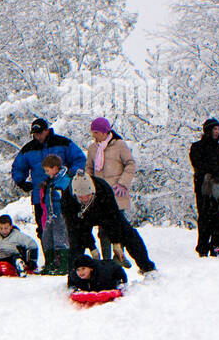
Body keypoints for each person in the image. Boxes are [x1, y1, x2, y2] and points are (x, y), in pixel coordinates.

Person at [61, 172, 157, 275]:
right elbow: (76, 229)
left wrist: (116, 242)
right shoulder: (67, 199)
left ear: (93, 191)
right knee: (76, 244)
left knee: (129, 233)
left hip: (103, 213)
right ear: (75, 195)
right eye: (81, 198)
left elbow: (113, 218)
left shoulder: (103, 188)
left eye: (87, 196)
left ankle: (147, 268)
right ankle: (73, 279)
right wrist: (92, 247)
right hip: (80, 219)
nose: (85, 200)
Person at [11, 117, 87, 237]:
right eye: (35, 134)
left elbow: (80, 159)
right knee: (43, 231)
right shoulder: (28, 149)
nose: (38, 136)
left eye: (40, 133)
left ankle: (71, 254)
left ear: (47, 130)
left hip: (64, 194)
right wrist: (21, 181)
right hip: (40, 196)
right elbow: (17, 167)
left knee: (69, 228)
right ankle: (50, 255)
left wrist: (70, 175)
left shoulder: (63, 143)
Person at [85, 117, 137, 267]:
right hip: (99, 195)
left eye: (96, 132)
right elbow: (89, 167)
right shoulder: (93, 148)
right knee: (102, 229)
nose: (94, 135)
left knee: (118, 226)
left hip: (116, 192)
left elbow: (130, 164)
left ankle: (119, 256)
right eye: (92, 132)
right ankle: (106, 259)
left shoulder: (119, 145)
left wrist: (123, 183)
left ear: (104, 131)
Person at [190, 118, 219, 257]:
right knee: (205, 217)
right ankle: (203, 247)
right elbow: (198, 165)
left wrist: (217, 171)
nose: (217, 132)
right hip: (205, 188)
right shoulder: (197, 147)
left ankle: (216, 246)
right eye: (214, 129)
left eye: (218, 129)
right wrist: (215, 170)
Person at [36, 155, 73, 275]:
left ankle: (63, 264)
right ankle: (50, 263)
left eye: (48, 170)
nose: (46, 173)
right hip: (50, 214)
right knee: (47, 237)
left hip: (60, 214)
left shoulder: (64, 180)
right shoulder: (50, 181)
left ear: (55, 168)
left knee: (60, 238)